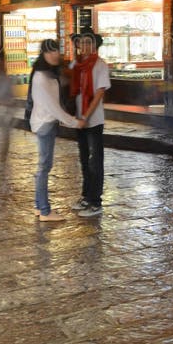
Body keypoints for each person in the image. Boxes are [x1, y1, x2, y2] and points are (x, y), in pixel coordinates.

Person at [29, 39, 85, 222]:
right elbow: (53, 107)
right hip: (45, 123)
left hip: (47, 123)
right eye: (50, 52)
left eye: (56, 51)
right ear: (43, 54)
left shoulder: (48, 74)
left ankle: (39, 206)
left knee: (44, 166)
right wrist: (74, 122)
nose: (54, 55)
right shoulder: (41, 77)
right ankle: (45, 211)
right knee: (44, 167)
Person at [68, 26, 111, 217]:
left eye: (88, 42)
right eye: (82, 41)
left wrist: (86, 115)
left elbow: (99, 93)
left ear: (94, 45)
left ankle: (96, 202)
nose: (84, 45)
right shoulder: (74, 65)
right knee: (84, 160)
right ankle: (86, 196)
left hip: (93, 120)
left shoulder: (100, 65)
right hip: (80, 120)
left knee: (95, 162)